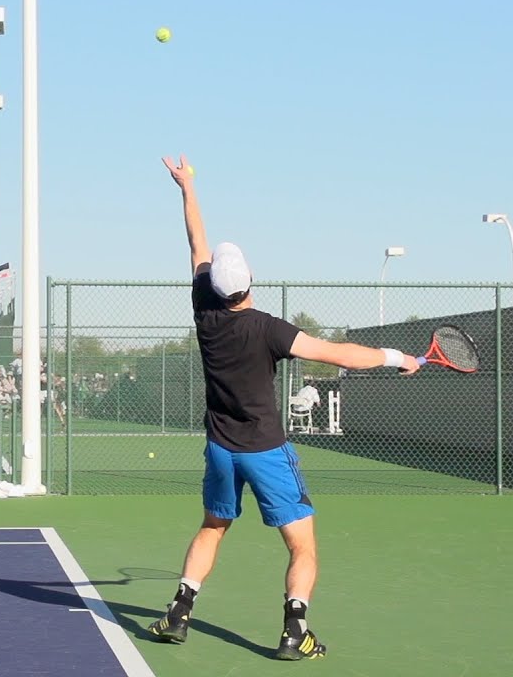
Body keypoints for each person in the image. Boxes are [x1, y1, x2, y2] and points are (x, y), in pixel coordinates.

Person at [145, 155, 419, 661]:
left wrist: (186, 187)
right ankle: (296, 633)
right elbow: (340, 355)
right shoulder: (270, 329)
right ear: (251, 280)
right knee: (302, 546)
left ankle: (178, 614)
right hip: (266, 450)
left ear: (213, 284)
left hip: (220, 449)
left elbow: (196, 242)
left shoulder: (204, 310)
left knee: (212, 527)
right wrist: (397, 357)